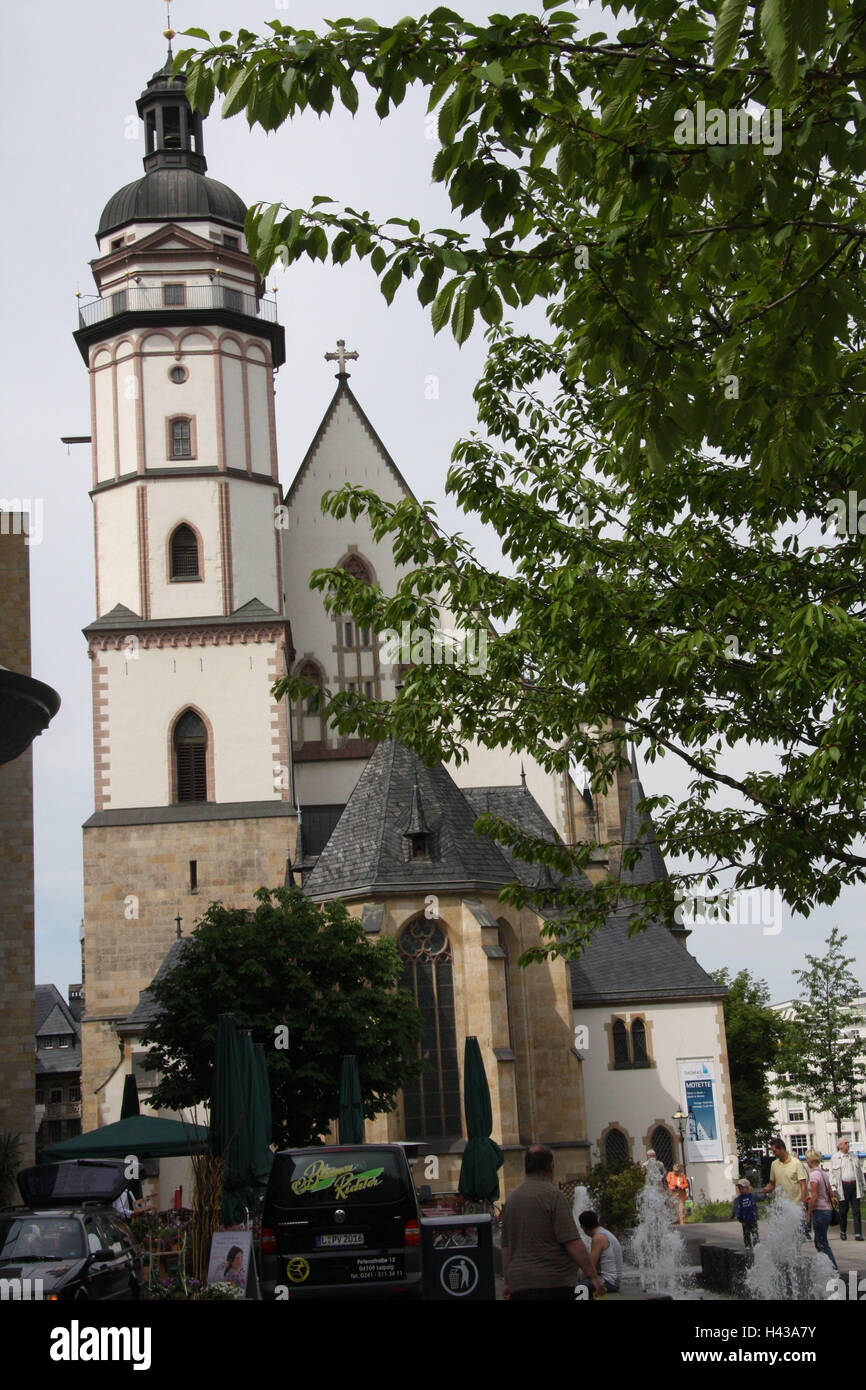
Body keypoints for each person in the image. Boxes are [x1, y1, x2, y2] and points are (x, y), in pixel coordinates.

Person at [500, 1145, 605, 1300]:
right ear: (551, 1166)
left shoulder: (511, 1199)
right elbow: (572, 1242)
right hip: (553, 1284)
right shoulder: (554, 1195)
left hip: (519, 1284)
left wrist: (508, 1282)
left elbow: (506, 1248)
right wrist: (593, 1276)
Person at [762, 1136, 808, 1229]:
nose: (774, 1154)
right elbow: (772, 1183)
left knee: (796, 1235)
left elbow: (803, 1184)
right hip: (781, 1206)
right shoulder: (774, 1164)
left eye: (775, 1151)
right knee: (783, 1232)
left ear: (782, 1149)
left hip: (795, 1205)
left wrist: (803, 1203)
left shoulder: (796, 1163)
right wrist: (767, 1189)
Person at [804, 1150, 839, 1271]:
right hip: (827, 1210)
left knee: (822, 1242)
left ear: (812, 1160)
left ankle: (833, 1269)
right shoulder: (823, 1173)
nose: (806, 1161)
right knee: (819, 1241)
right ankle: (825, 1267)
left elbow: (815, 1196)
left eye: (807, 1158)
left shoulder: (814, 1175)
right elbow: (829, 1191)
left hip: (819, 1211)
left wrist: (809, 1213)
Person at [577, 1210, 623, 1295]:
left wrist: (578, 1281)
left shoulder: (598, 1238)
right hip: (612, 1281)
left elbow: (589, 1267)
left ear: (582, 1227)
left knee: (571, 1289)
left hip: (608, 1283)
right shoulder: (604, 1233)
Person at [828, 1137, 864, 1242]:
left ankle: (858, 1233)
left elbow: (860, 1173)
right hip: (843, 1187)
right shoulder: (835, 1157)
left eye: (848, 1143)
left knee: (857, 1211)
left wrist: (863, 1186)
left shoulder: (854, 1157)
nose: (848, 1145)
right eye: (845, 1143)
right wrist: (833, 1188)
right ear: (840, 1145)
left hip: (854, 1186)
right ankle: (843, 1231)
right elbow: (832, 1175)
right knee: (843, 1211)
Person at [731, 1178, 762, 1248]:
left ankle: (757, 1245)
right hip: (744, 1219)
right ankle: (748, 1246)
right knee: (746, 1233)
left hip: (753, 1218)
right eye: (739, 1188)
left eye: (742, 1188)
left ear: (747, 1188)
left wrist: (765, 1195)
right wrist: (733, 1215)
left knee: (755, 1232)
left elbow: (760, 1198)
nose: (740, 1190)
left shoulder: (752, 1196)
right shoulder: (739, 1199)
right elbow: (735, 1208)